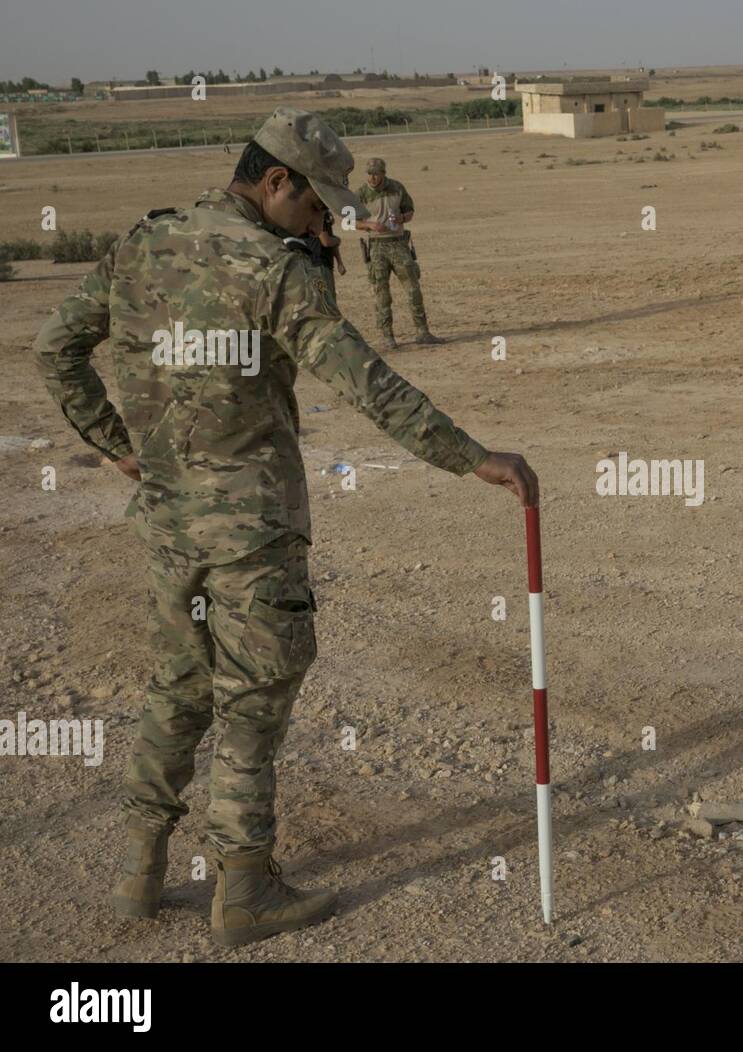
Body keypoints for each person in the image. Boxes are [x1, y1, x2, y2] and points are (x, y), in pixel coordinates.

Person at [33, 106, 538, 947]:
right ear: (275, 182)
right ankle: (244, 891)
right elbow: (365, 382)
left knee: (177, 687)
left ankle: (139, 872)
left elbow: (55, 349)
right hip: (253, 532)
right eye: (314, 206)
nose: (324, 221)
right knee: (253, 704)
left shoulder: (141, 243)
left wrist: (120, 447)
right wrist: (470, 456)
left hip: (166, 523)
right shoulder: (273, 271)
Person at [356, 157, 438, 350]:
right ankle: (388, 336)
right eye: (369, 173)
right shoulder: (361, 194)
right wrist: (368, 225)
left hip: (399, 244)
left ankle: (423, 332)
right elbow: (348, 221)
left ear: (384, 173)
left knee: (413, 290)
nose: (372, 177)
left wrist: (401, 218)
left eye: (376, 173)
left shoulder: (397, 188)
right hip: (377, 247)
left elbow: (410, 211)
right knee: (381, 294)